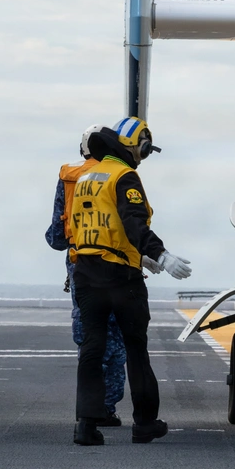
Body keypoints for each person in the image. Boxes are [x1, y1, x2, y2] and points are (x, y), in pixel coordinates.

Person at [68, 116, 192, 446]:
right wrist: (160, 255)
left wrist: (143, 255)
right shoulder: (125, 176)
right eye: (145, 150)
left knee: (92, 349)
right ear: (136, 146)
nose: (144, 156)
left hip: (86, 273)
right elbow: (133, 222)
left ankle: (86, 425)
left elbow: (94, 225)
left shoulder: (85, 178)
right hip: (122, 278)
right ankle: (145, 423)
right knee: (136, 349)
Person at [45, 124, 127, 424]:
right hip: (118, 268)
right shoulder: (120, 175)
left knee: (90, 342)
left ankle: (88, 413)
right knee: (118, 340)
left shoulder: (70, 177)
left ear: (84, 149)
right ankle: (108, 408)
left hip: (81, 266)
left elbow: (56, 236)